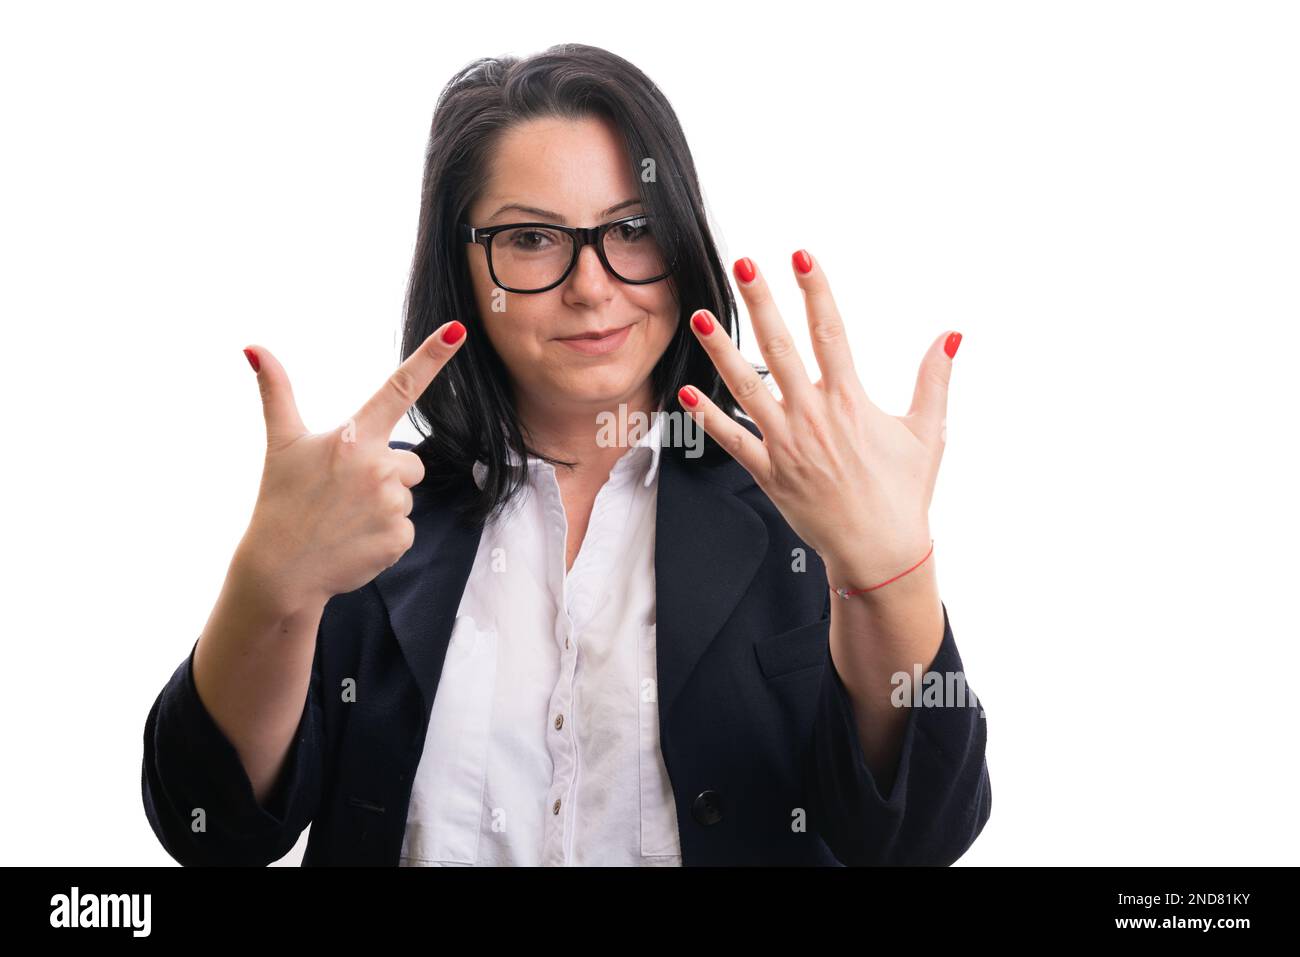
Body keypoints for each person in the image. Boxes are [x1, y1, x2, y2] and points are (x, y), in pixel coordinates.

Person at [141, 42, 991, 866]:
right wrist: (266, 587)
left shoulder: (805, 498)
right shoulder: (367, 514)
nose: (593, 285)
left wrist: (894, 574)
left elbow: (918, 836)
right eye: (532, 239)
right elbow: (210, 829)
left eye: (633, 227)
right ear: (463, 265)